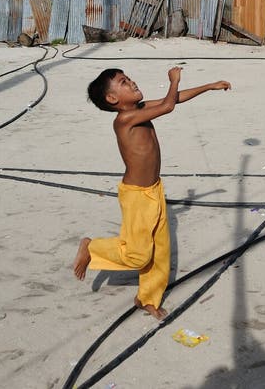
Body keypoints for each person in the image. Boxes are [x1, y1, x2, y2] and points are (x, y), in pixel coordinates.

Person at [73, 66, 231, 319]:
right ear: (113, 99)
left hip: (154, 190)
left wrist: (209, 86)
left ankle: (147, 298)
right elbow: (169, 105)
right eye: (124, 82)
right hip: (136, 196)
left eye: (129, 78)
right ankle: (93, 248)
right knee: (137, 255)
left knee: (159, 252)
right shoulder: (124, 119)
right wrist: (173, 80)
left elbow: (175, 99)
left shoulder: (140, 109)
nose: (132, 82)